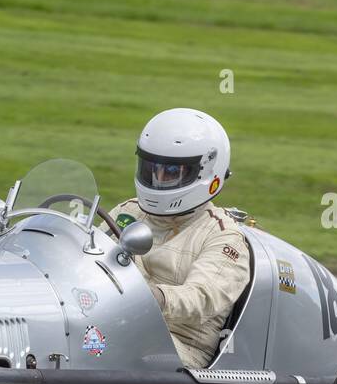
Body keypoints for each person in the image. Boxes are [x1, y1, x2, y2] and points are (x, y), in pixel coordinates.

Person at [105, 108, 250, 369]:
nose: (159, 179)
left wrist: (147, 298)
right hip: (117, 324)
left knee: (98, 341)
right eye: (152, 168)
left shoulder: (224, 237)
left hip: (180, 349)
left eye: (172, 171)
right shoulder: (128, 211)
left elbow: (200, 299)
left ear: (207, 173)